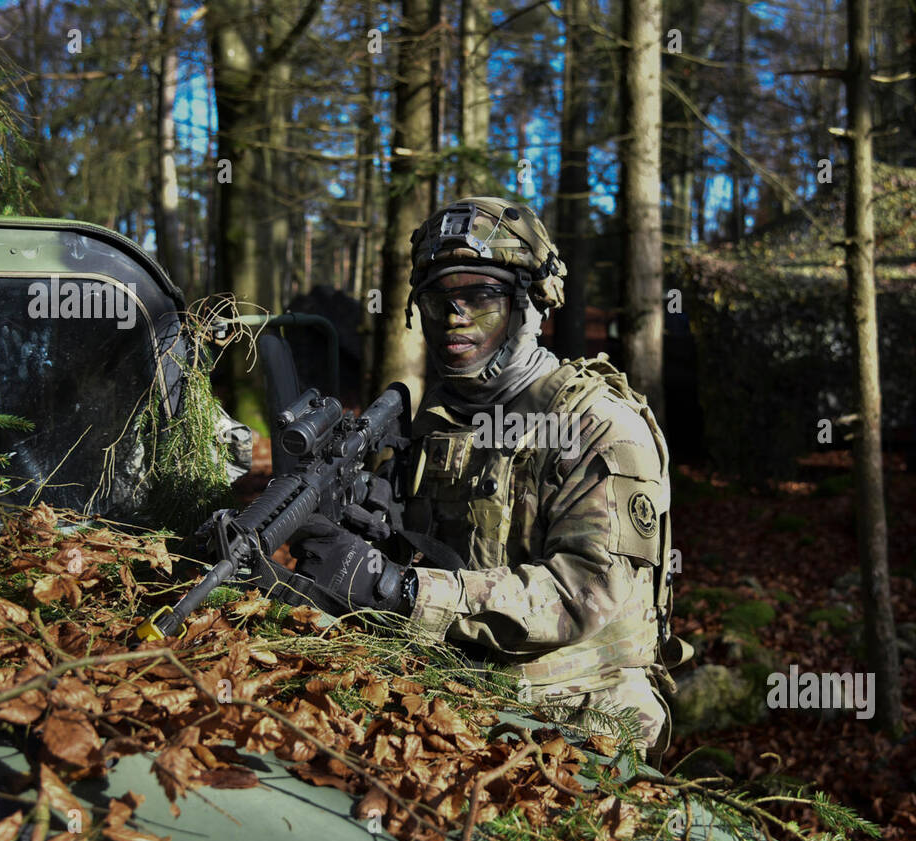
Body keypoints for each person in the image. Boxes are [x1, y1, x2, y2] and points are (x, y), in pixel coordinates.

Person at [293, 196, 690, 763]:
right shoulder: (443, 413)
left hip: (582, 722)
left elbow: (584, 592)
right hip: (461, 694)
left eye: (481, 297)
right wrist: (374, 532)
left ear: (529, 304)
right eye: (438, 299)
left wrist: (398, 589)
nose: (456, 317)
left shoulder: (598, 426)